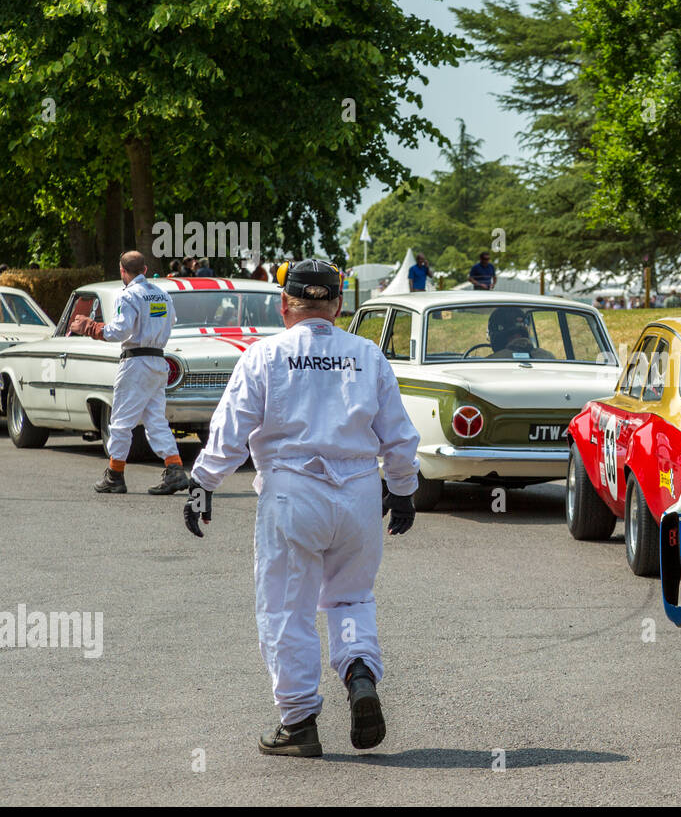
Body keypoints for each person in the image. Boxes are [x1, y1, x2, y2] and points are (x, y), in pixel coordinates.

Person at [183, 259, 420, 757]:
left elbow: (231, 429)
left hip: (292, 494)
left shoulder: (265, 354)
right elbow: (398, 435)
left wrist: (203, 481)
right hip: (358, 495)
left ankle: (299, 723)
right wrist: (401, 489)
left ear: (284, 305)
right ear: (338, 305)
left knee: (287, 609)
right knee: (350, 599)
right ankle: (358, 672)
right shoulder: (366, 354)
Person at [69, 251, 190, 496]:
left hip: (135, 363)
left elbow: (119, 332)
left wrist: (91, 327)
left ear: (123, 271)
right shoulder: (162, 294)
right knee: (155, 420)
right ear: (145, 270)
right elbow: (172, 321)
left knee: (121, 422)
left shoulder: (129, 295)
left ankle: (115, 475)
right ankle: (175, 469)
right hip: (158, 361)